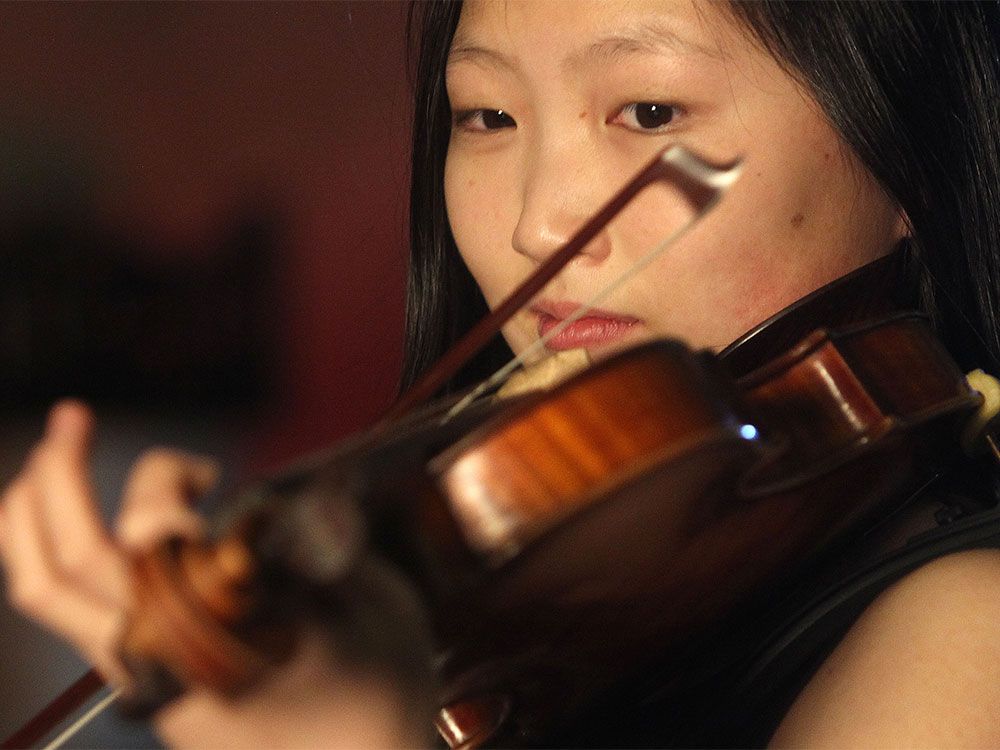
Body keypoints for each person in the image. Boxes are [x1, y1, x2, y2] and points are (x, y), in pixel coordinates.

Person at [3, 0, 1000, 746]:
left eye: (649, 110)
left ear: (903, 153)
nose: (536, 224)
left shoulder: (973, 630)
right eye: (484, 118)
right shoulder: (575, 597)